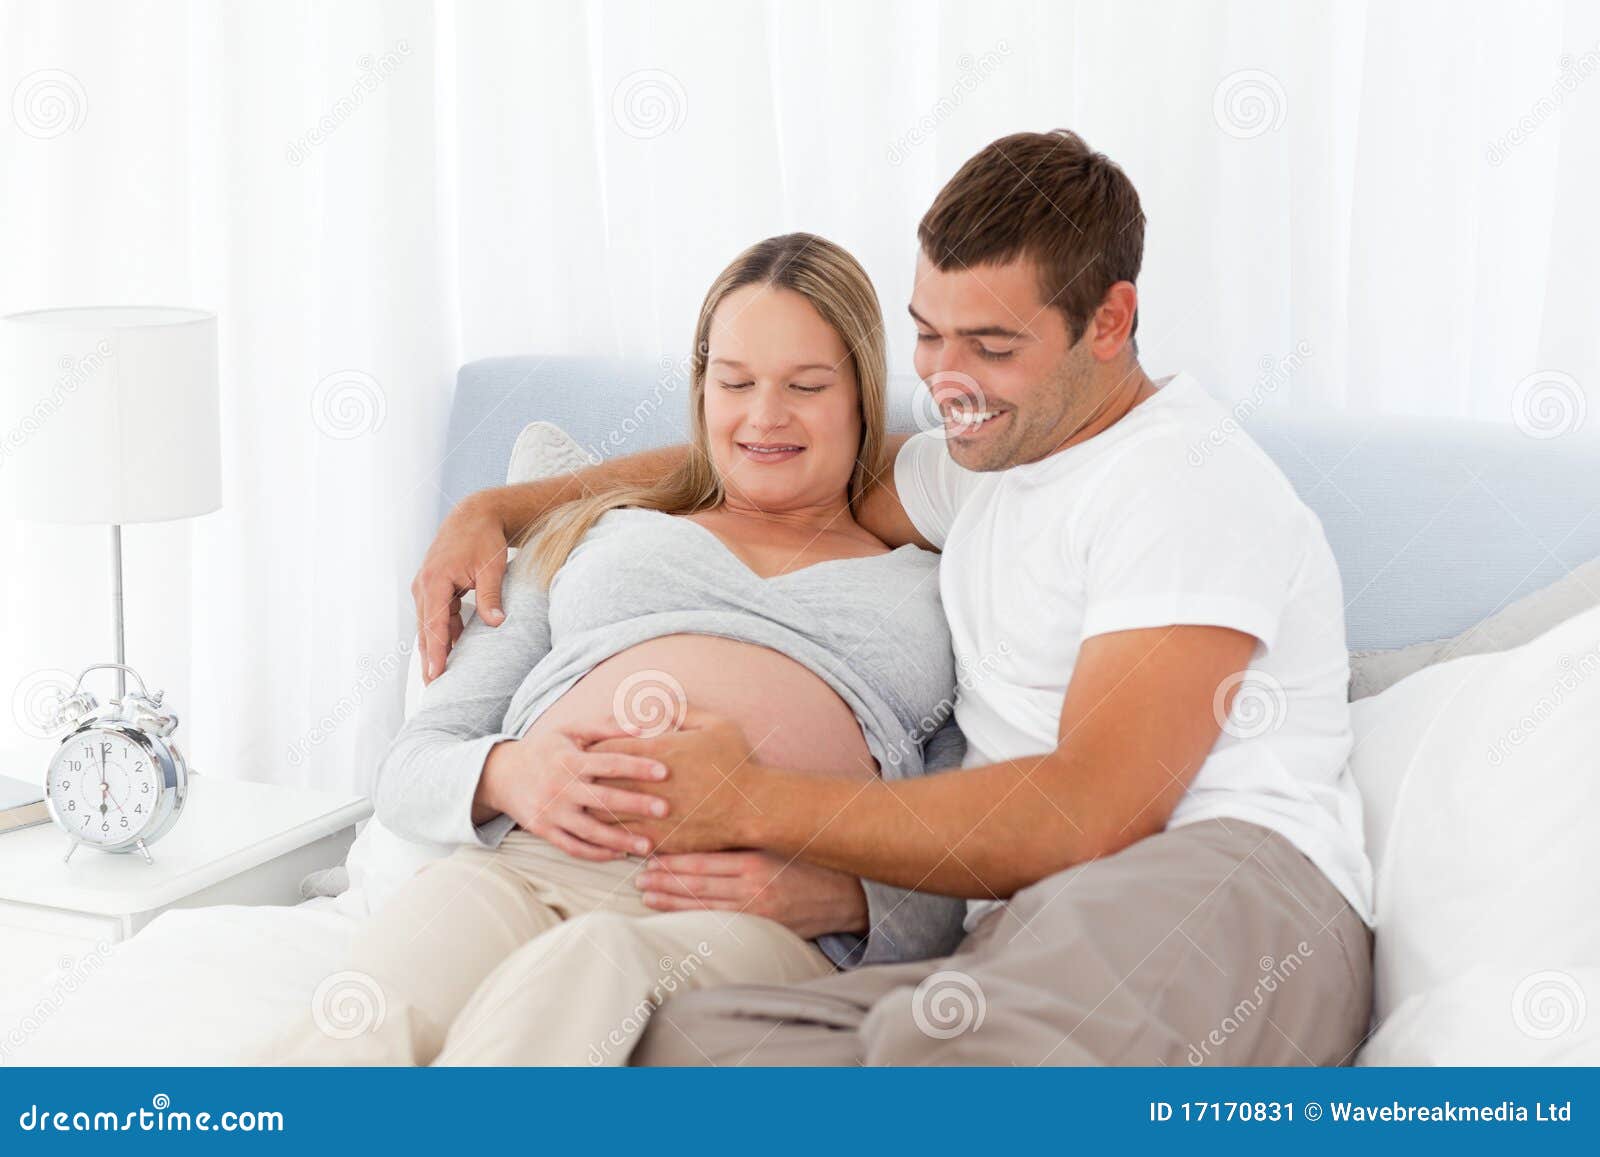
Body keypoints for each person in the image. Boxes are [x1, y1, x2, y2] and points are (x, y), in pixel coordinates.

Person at [413, 130, 1376, 1067]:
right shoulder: (987, 462)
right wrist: (504, 507)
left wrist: (751, 800)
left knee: (972, 1072)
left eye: (993, 344)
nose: (950, 381)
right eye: (928, 335)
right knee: (670, 1045)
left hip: (1217, 890)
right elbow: (776, 458)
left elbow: (1089, 811)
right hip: (1021, 929)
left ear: (1111, 321)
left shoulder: (1181, 481)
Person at [267, 232, 965, 1066]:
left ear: (862, 396)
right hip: (522, 868)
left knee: (590, 964)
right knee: (379, 998)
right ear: (701, 391)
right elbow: (413, 763)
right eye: (735, 382)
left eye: (806, 386)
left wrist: (846, 898)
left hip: (736, 916)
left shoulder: (934, 587)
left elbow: (969, 850)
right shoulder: (592, 535)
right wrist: (510, 773)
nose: (765, 416)